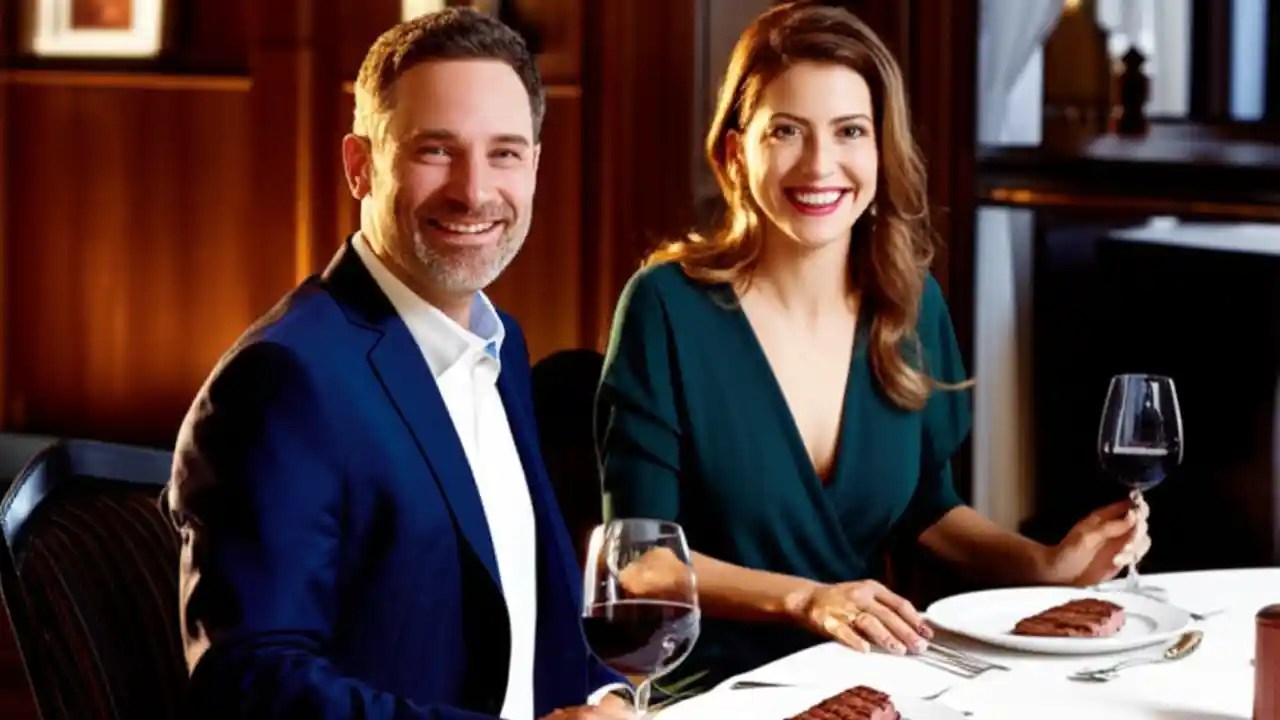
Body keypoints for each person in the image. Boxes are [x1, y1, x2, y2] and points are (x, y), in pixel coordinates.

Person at [595, 1, 1151, 687]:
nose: (820, 164)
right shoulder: (667, 308)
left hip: (880, 684)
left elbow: (926, 510)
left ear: (880, 149)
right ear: (737, 152)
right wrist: (807, 601)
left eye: (850, 131)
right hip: (718, 693)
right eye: (787, 132)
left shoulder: (912, 306)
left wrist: (1045, 564)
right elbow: (640, 563)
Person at [165, 9, 629, 720]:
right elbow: (251, 684)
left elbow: (543, 631)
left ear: (534, 165)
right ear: (360, 165)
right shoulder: (284, 381)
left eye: (504, 153)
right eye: (435, 151)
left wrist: (611, 697)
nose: (474, 191)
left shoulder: (498, 344)